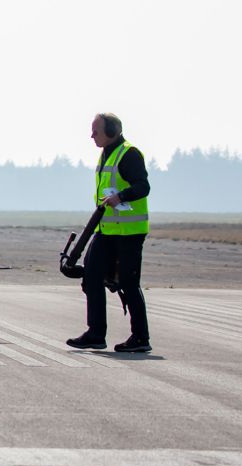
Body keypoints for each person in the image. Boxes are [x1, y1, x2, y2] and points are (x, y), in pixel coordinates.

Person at [67, 113, 152, 353]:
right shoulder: (106, 154)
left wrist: (121, 196)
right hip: (106, 229)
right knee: (91, 276)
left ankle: (141, 338)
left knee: (128, 283)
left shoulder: (129, 154)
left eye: (96, 131)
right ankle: (95, 334)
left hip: (129, 232)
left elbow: (143, 186)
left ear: (112, 131)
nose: (92, 136)